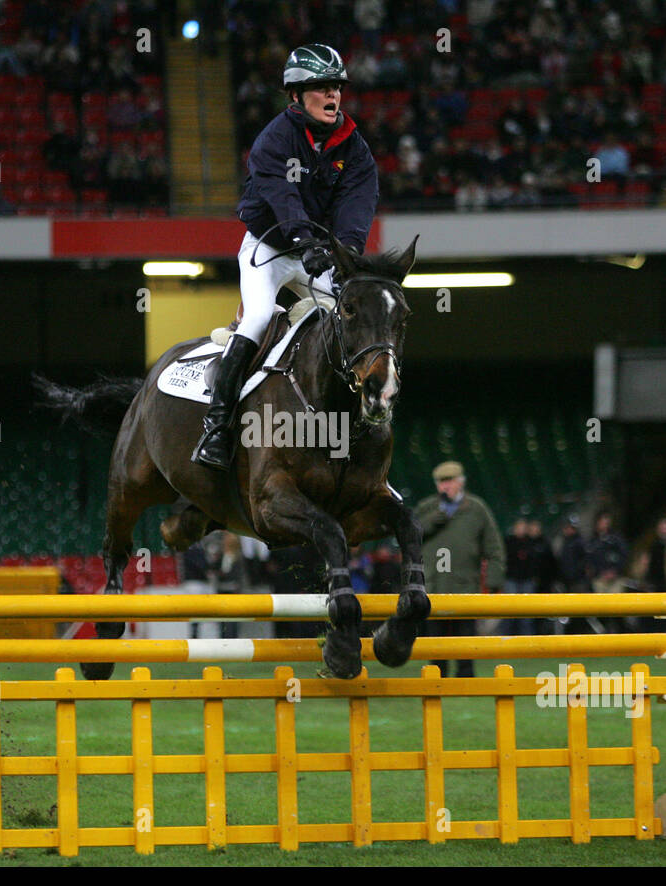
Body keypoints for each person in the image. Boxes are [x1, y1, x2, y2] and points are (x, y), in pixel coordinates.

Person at [192, 43, 379, 470]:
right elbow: (283, 199)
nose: (333, 95)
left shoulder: (355, 148)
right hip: (269, 248)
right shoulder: (273, 141)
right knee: (259, 319)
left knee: (353, 323)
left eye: (336, 86)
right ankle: (216, 429)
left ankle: (357, 426)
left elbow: (358, 200)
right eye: (320, 87)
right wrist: (307, 241)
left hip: (320, 253)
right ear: (296, 96)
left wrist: (345, 250)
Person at [414, 461, 506, 677]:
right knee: (436, 640)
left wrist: (494, 581)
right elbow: (410, 535)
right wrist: (437, 517)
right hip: (433, 586)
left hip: (465, 586)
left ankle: (466, 678)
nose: (445, 487)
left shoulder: (476, 508)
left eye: (450, 482)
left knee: (466, 639)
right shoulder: (427, 508)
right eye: (441, 482)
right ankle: (437, 677)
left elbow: (493, 548)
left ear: (461, 483)